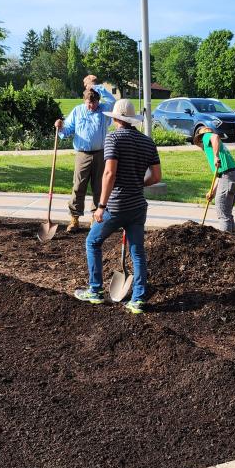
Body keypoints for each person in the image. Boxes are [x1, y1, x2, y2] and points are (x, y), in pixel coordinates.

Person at [73, 99, 161, 315]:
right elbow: (157, 176)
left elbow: (109, 173)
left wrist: (101, 206)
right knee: (138, 253)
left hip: (116, 205)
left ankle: (95, 291)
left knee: (93, 241)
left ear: (115, 118)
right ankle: (138, 300)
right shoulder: (147, 142)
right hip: (138, 206)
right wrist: (139, 183)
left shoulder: (113, 138)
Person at [54, 75, 116, 232]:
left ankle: (96, 218)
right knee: (78, 186)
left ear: (98, 101)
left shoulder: (104, 110)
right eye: (89, 104)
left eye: (94, 103)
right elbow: (67, 130)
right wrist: (60, 126)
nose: (91, 107)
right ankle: (74, 219)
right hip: (82, 154)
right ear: (84, 101)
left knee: (99, 187)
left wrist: (95, 86)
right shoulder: (78, 111)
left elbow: (112, 101)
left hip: (101, 153)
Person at [193, 126, 235, 233]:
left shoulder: (206, 137)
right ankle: (232, 239)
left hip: (228, 178)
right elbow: (219, 175)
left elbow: (215, 136)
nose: (200, 145)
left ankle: (226, 242)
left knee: (223, 214)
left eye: (199, 142)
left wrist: (216, 156)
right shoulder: (216, 149)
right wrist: (212, 191)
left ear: (200, 139)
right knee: (227, 213)